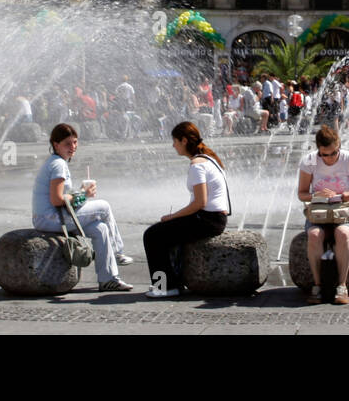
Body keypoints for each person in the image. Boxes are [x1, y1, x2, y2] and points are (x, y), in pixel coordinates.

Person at [32, 123, 133, 291]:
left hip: (49, 217)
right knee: (104, 207)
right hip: (51, 218)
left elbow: (61, 198)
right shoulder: (58, 164)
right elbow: (57, 200)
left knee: (100, 229)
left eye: (75, 142)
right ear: (55, 145)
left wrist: (79, 193)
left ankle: (108, 279)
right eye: (67, 143)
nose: (72, 147)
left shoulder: (55, 161)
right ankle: (117, 252)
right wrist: (83, 194)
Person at [141, 122, 229, 298]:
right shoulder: (209, 158)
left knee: (152, 235)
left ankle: (164, 286)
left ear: (184, 140)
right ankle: (173, 282)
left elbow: (200, 202)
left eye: (175, 141)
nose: (173, 146)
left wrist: (172, 216)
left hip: (207, 220)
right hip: (214, 218)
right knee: (162, 233)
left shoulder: (197, 165)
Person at [298, 126, 349, 305]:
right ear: (318, 150)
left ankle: (342, 285)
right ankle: (317, 285)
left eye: (333, 153)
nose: (329, 158)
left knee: (342, 234)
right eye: (324, 155)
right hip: (320, 213)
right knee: (313, 235)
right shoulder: (309, 161)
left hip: (343, 212)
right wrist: (316, 196)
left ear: (338, 146)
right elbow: (302, 194)